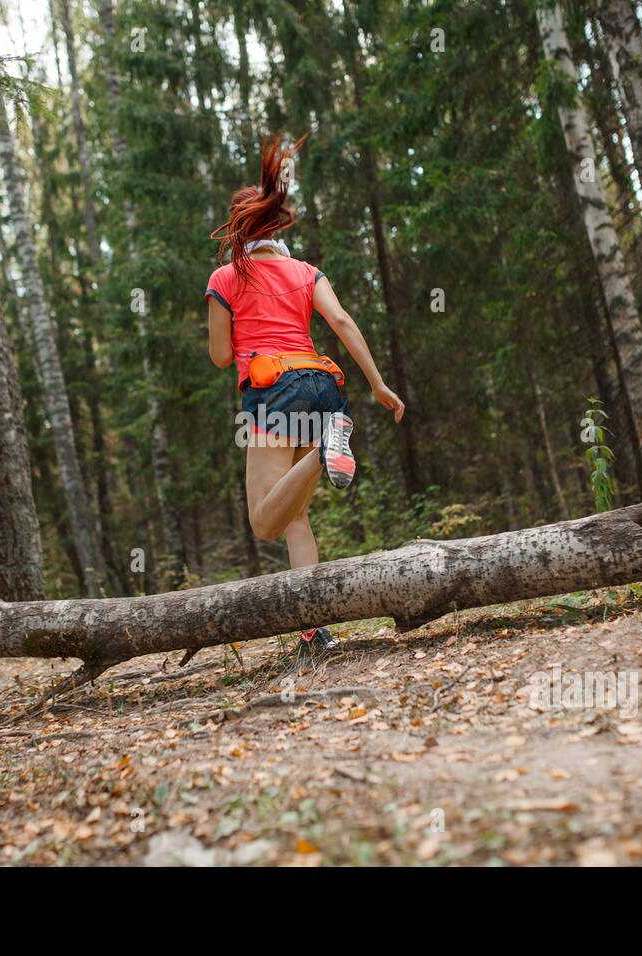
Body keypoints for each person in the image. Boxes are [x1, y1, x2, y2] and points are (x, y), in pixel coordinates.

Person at [205, 134, 405, 652]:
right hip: (323, 385)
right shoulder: (306, 271)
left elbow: (223, 357)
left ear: (241, 232)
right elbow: (339, 319)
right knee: (295, 515)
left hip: (276, 391)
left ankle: (323, 451)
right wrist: (378, 384)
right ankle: (314, 632)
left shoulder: (226, 277)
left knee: (263, 522)